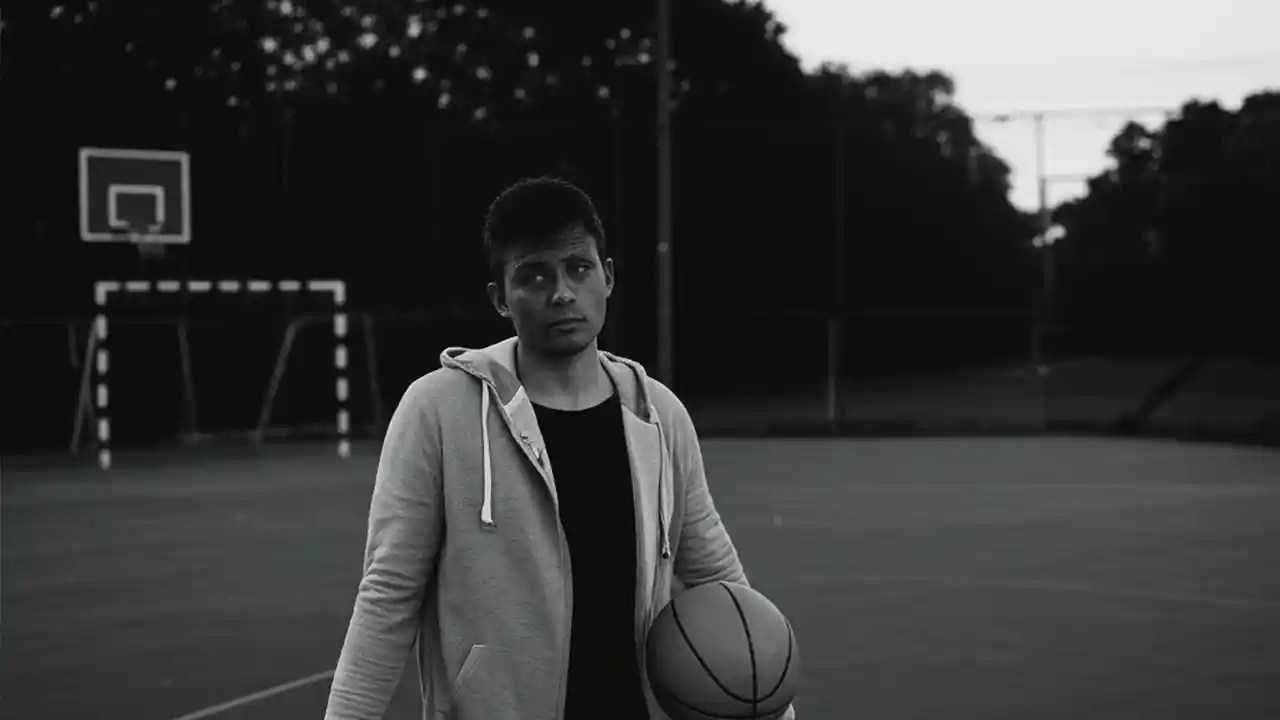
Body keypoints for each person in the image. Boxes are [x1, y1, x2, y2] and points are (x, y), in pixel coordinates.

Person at [325, 177, 794, 720]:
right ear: (500, 298)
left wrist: (773, 710)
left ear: (608, 276)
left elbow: (720, 584)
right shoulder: (438, 409)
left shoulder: (658, 415)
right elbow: (388, 593)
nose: (562, 293)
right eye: (534, 275)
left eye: (578, 268)